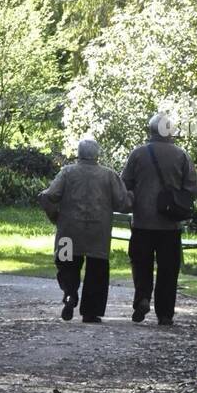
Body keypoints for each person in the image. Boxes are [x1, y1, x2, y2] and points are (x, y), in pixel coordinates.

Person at [38, 138, 131, 324]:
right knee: (97, 271)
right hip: (98, 233)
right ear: (97, 154)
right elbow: (123, 203)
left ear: (78, 153)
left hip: (68, 232)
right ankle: (91, 312)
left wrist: (54, 216)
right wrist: (133, 196)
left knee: (65, 264)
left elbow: (50, 196)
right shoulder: (109, 175)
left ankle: (70, 292)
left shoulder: (67, 172)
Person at [121, 112, 197, 327]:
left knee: (141, 264)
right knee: (168, 269)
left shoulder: (138, 154)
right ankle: (165, 314)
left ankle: (143, 298)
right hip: (170, 223)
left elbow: (124, 183)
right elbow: (193, 187)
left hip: (142, 222)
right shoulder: (181, 155)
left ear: (151, 130)